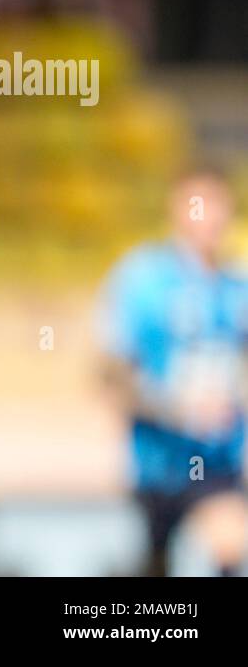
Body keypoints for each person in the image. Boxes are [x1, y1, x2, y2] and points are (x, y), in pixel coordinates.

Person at [98, 162, 248, 576]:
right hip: (157, 462)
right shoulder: (143, 279)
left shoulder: (238, 286)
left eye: (219, 205)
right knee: (155, 564)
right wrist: (175, 409)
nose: (210, 217)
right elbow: (110, 375)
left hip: (217, 464)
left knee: (230, 544)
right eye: (199, 205)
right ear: (177, 209)